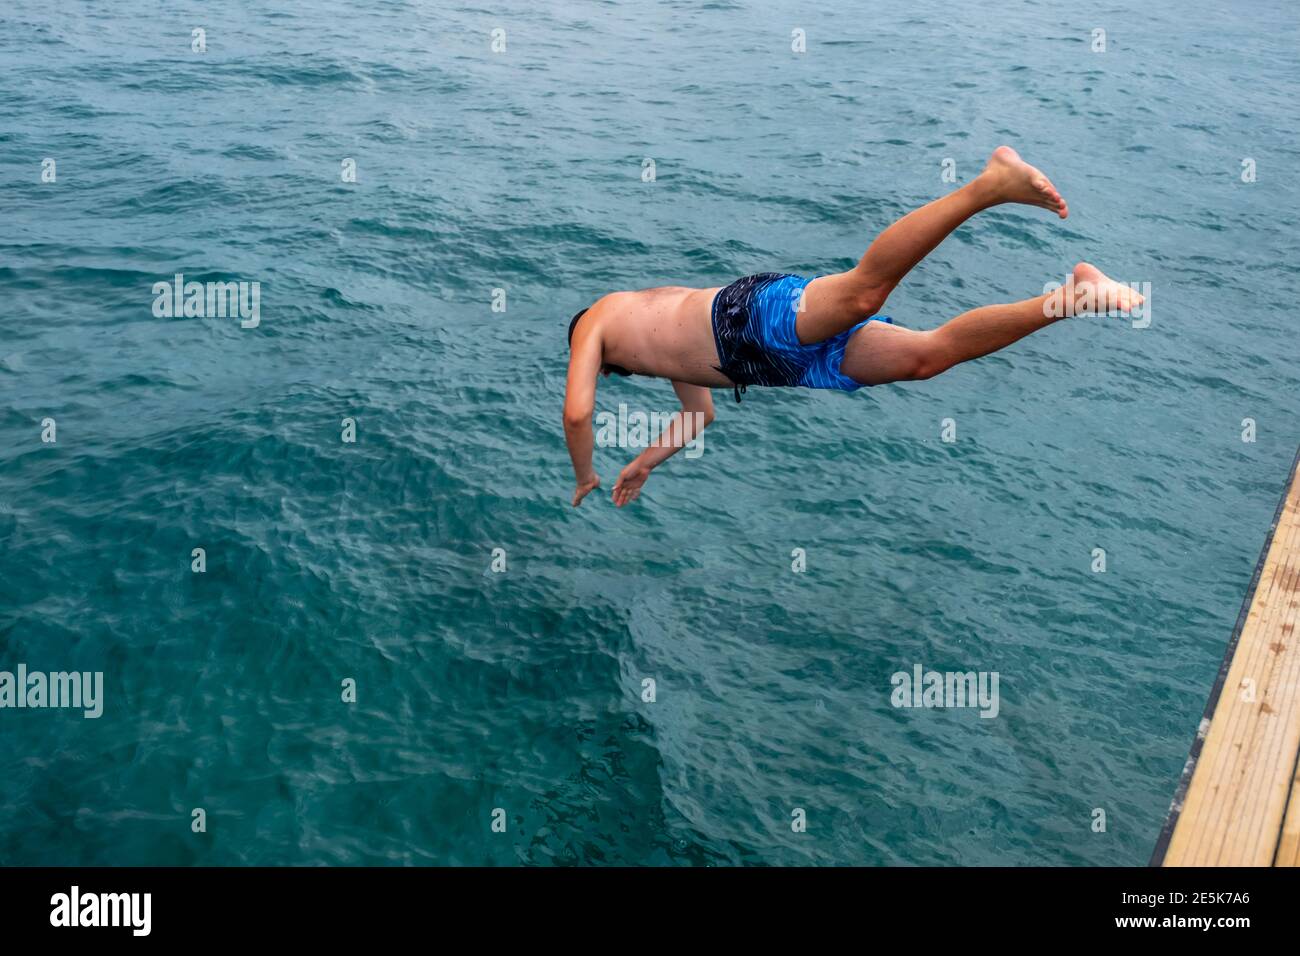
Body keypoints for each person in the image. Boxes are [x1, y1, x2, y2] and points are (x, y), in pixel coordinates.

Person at [563, 146, 1143, 507]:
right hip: (775, 363)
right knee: (927, 358)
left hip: (743, 320)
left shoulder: (597, 318)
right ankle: (1072, 298)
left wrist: (586, 474)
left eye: (600, 369)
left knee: (865, 289)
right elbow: (698, 416)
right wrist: (641, 465)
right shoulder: (652, 351)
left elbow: (577, 412)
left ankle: (989, 185)